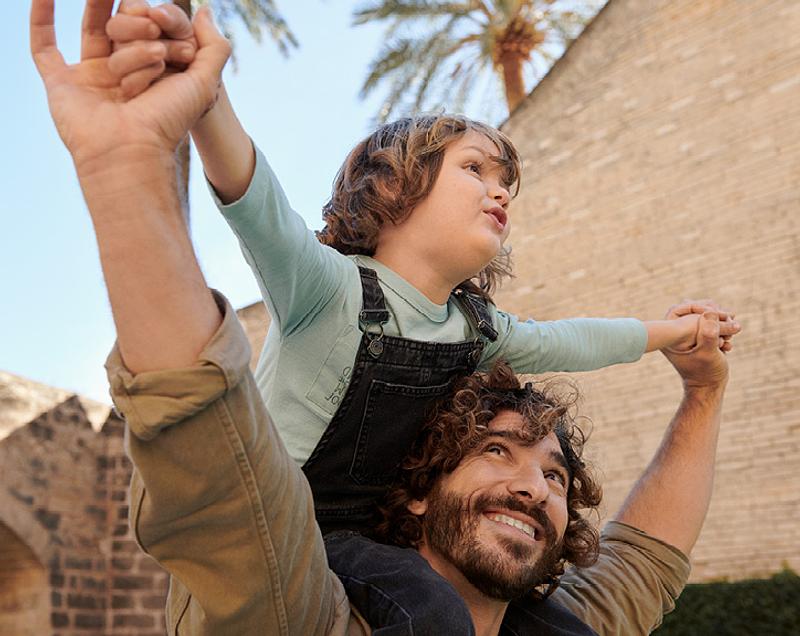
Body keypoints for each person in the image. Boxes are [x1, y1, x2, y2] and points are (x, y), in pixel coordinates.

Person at [31, 1, 735, 634]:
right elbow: (257, 203)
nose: (499, 194)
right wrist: (203, 96)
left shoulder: (480, 330)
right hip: (278, 545)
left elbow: (576, 341)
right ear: (393, 186)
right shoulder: (327, 289)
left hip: (375, 545)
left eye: (506, 184)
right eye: (475, 171)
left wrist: (678, 338)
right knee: (432, 609)